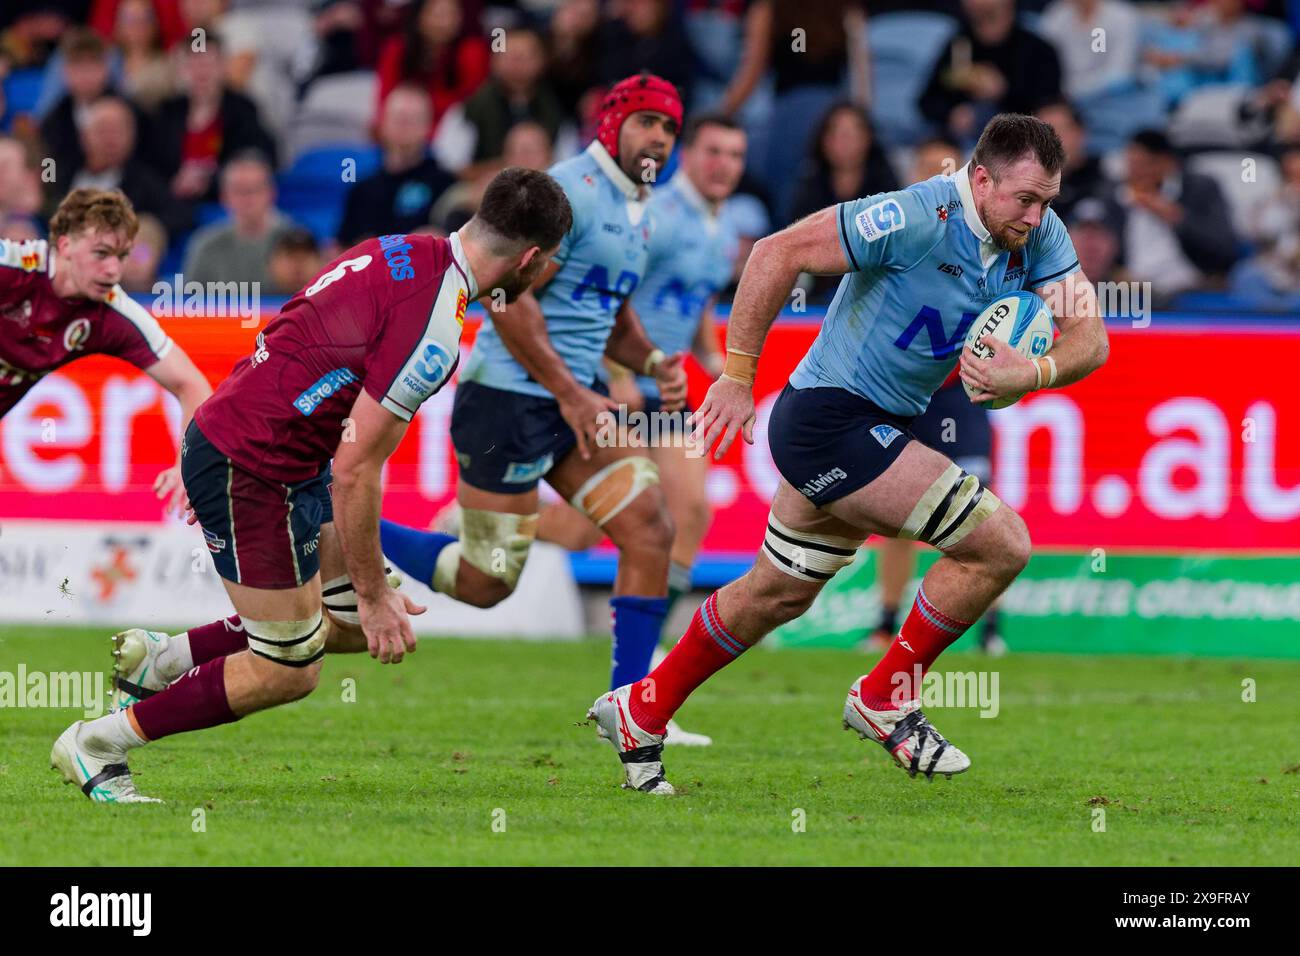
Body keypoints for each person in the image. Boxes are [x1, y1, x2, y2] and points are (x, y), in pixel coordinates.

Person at [586, 113, 1109, 794]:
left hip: (879, 426)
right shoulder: (915, 215)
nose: (1037, 217)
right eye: (1026, 199)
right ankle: (886, 696)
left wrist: (1032, 373)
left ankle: (641, 709)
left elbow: (1091, 336)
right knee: (1000, 543)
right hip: (828, 420)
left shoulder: (1038, 234)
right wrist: (737, 377)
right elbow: (775, 252)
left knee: (776, 593)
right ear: (981, 180)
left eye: (1047, 202)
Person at [52, 167, 572, 803]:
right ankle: (98, 742)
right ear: (530, 258)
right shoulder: (435, 331)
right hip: (254, 467)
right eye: (549, 262)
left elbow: (292, 338)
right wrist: (374, 591)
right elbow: (357, 468)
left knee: (345, 626)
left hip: (281, 455)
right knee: (290, 669)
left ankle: (165, 660)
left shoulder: (396, 248)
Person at [378, 73, 689, 702]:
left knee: (650, 529)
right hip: (509, 401)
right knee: (485, 583)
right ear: (612, 122)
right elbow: (504, 296)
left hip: (575, 401)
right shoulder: (568, 192)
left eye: (669, 127)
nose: (658, 137)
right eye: (646, 121)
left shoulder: (640, 210)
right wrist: (572, 393)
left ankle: (631, 708)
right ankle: (343, 518)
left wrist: (654, 360)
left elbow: (606, 313)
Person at [533, 111, 747, 746]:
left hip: (670, 392)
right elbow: (610, 291)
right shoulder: (660, 216)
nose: (724, 165)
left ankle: (647, 678)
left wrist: (718, 363)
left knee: (690, 511)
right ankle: (468, 524)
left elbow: (697, 302)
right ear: (689, 155)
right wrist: (616, 369)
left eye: (735, 155)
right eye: (713, 151)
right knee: (585, 531)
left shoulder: (723, 228)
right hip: (625, 387)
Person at [0, 188, 210, 514]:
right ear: (65, 245)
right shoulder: (13, 267)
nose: (113, 270)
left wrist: (188, 465)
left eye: (122, 256)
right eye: (101, 253)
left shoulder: (111, 313)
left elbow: (191, 384)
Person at [919, 0, 1063, 150]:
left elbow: (1049, 109)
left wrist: (1003, 91)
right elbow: (927, 101)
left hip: (1020, 143)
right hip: (963, 145)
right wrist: (951, 114)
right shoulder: (959, 45)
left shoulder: (1038, 50)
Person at [337, 84, 454, 247]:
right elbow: (341, 247)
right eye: (398, 118)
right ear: (382, 122)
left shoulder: (446, 185)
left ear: (428, 127)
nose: (404, 126)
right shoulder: (361, 190)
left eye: (412, 119)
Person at [181, 151, 294, 286]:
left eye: (254, 189)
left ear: (271, 193)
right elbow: (191, 296)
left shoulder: (295, 241)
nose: (247, 199)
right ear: (224, 196)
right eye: (238, 190)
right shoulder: (206, 245)